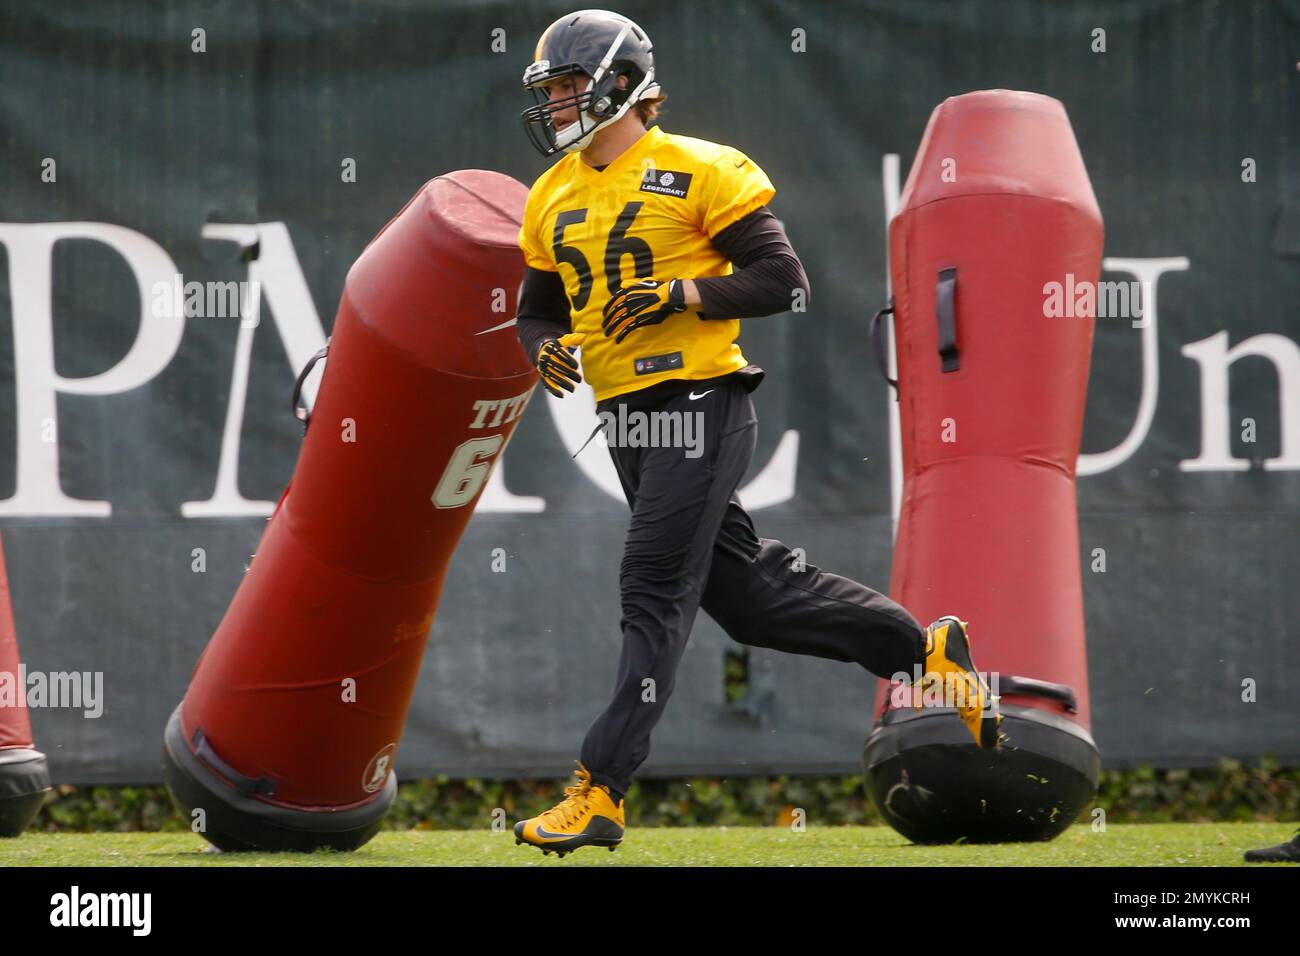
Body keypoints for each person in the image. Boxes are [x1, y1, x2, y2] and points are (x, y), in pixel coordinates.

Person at [511, 8, 1000, 858]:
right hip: (623, 417)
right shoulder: (551, 193)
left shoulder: (699, 168)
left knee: (652, 584)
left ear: (620, 83)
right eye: (548, 90)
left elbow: (781, 277)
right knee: (747, 600)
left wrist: (680, 296)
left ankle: (600, 790)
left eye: (567, 86)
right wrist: (544, 348)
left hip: (702, 402)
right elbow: (536, 311)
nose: (555, 104)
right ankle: (924, 651)